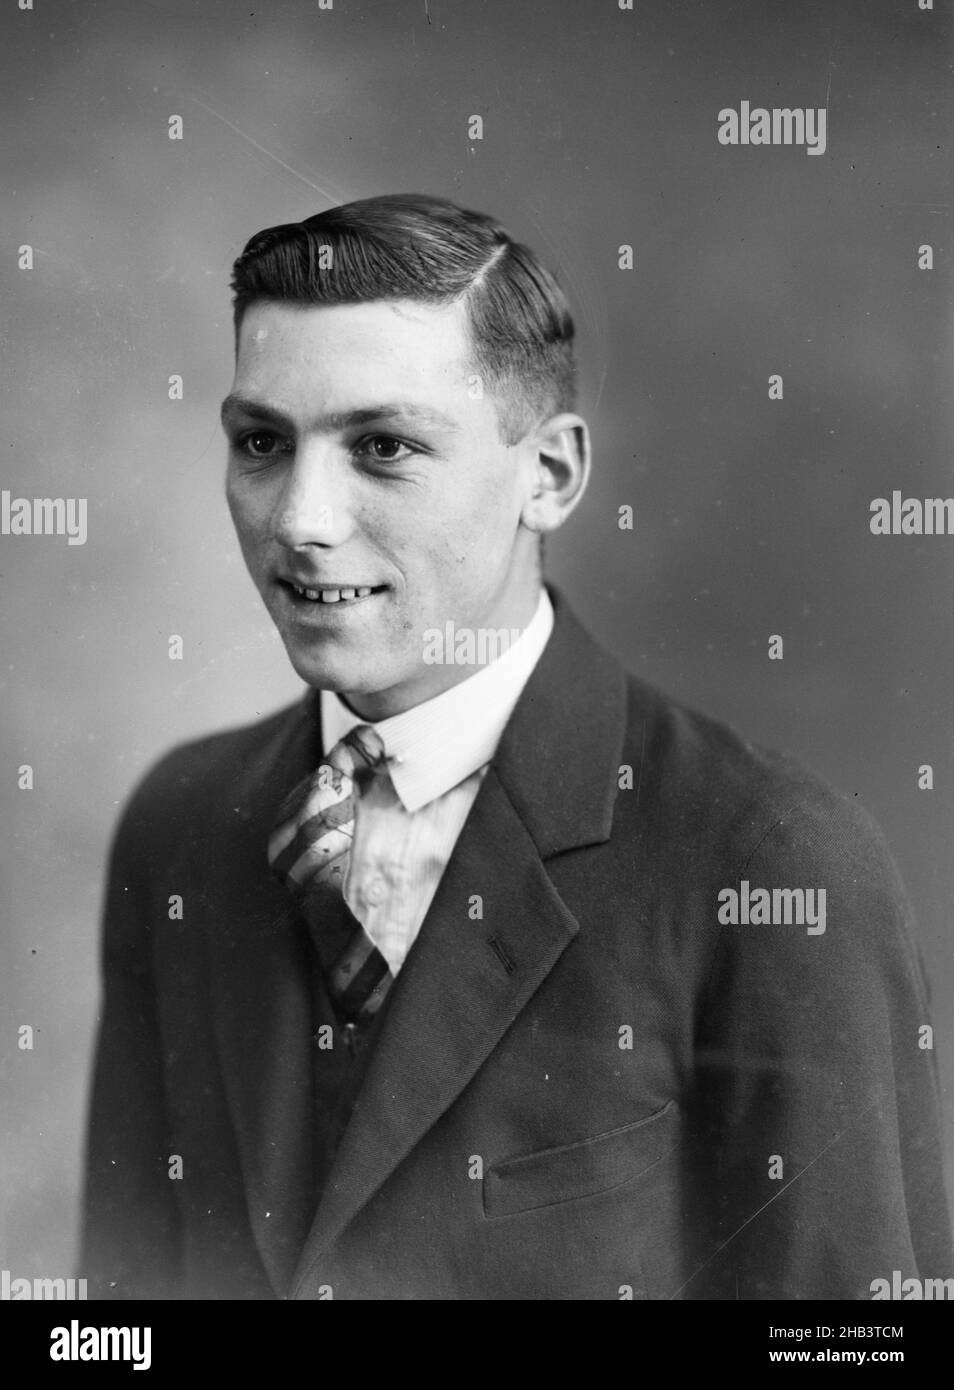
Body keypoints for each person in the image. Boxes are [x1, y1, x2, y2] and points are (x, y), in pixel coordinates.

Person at [80, 193, 952, 1300]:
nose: (299, 517)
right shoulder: (183, 822)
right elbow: (115, 1318)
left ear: (551, 476)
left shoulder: (775, 862)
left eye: (383, 446)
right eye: (263, 442)